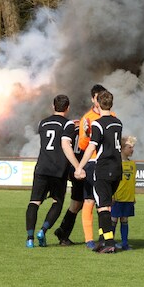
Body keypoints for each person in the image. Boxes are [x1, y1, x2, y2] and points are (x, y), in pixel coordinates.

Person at [73, 89, 123, 254]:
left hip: (103, 167)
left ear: (98, 104)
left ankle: (109, 242)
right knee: (106, 203)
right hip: (117, 168)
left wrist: (79, 166)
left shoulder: (98, 124)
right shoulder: (118, 123)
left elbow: (91, 147)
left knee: (102, 207)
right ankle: (102, 240)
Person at [26, 94, 76, 248]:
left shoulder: (43, 123)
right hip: (58, 169)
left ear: (53, 106)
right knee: (57, 202)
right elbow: (65, 143)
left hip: (42, 167)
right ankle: (43, 230)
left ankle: (29, 239)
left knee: (34, 202)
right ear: (67, 108)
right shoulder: (68, 125)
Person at [53, 90, 92, 246]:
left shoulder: (72, 127)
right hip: (82, 168)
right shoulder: (87, 130)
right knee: (89, 202)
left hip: (73, 168)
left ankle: (63, 232)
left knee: (78, 203)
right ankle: (104, 238)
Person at [75, 84, 109, 250]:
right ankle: (89, 239)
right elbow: (82, 145)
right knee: (89, 200)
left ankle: (105, 237)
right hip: (92, 163)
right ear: (93, 99)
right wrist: (87, 135)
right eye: (97, 98)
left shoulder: (112, 116)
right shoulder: (87, 118)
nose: (99, 100)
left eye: (102, 97)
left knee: (106, 203)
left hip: (107, 163)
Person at [111, 136, 137, 250]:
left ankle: (125, 243)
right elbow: (112, 181)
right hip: (117, 197)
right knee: (114, 219)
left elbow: (133, 181)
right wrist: (112, 195)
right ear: (121, 148)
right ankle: (110, 241)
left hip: (128, 198)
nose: (132, 149)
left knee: (125, 219)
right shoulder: (116, 163)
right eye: (129, 147)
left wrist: (133, 196)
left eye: (133, 147)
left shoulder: (132, 164)